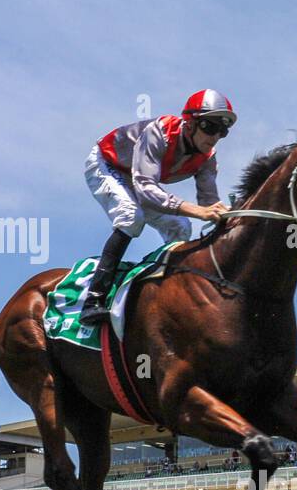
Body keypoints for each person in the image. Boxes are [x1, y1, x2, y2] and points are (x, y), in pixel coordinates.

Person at [79, 89, 236, 324]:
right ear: (190, 123)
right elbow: (144, 187)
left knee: (180, 228)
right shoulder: (160, 132)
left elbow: (209, 204)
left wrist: (231, 216)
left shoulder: (207, 158)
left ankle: (159, 293)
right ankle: (94, 301)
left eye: (222, 131)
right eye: (209, 126)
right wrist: (198, 211)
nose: (214, 137)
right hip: (107, 164)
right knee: (131, 216)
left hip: (138, 178)